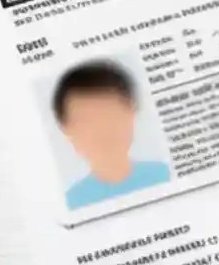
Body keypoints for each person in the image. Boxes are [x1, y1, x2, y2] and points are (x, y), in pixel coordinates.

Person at [52, 61, 171, 209]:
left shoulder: (165, 175)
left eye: (109, 115)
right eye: (86, 121)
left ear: (131, 113)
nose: (101, 130)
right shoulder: (70, 204)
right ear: (67, 130)